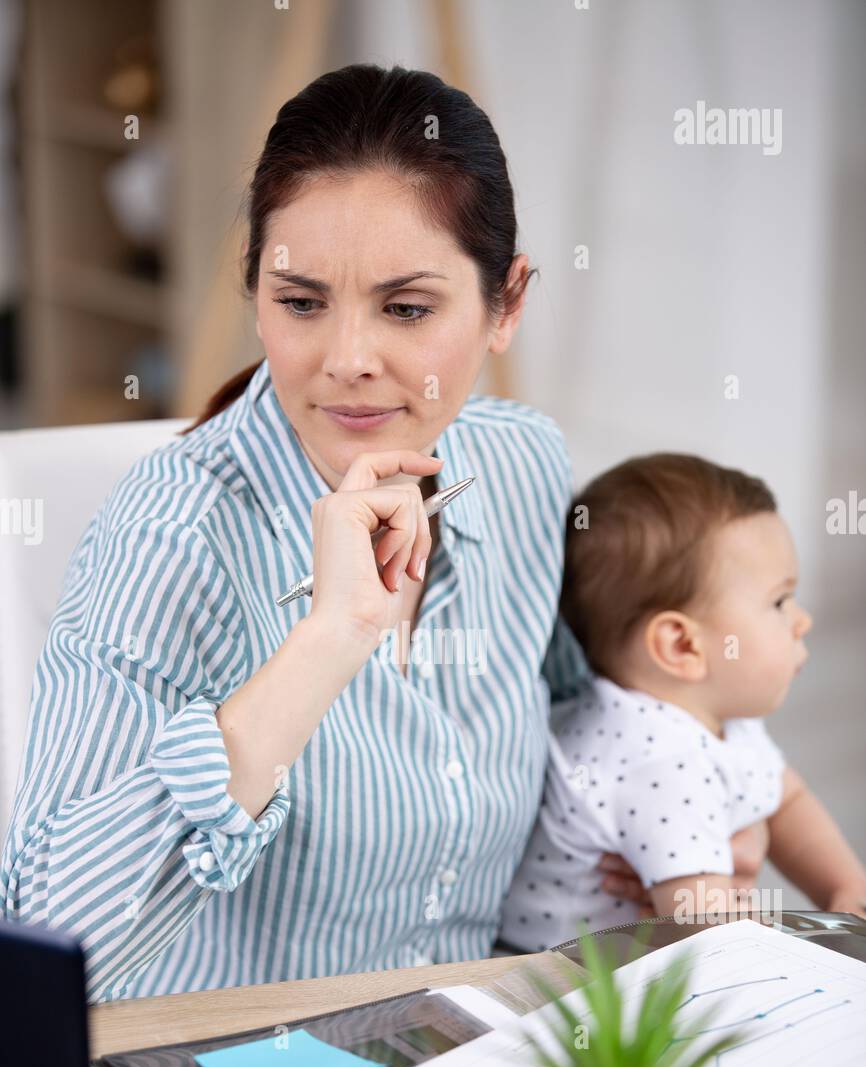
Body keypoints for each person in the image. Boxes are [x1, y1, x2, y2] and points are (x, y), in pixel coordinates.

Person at [0, 65, 764, 1002]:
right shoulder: (170, 536)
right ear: (255, 293)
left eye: (406, 308)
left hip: (476, 1045)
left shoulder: (521, 465)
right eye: (301, 302)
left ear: (507, 304)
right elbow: (50, 953)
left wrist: (710, 808)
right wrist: (328, 641)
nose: (349, 361)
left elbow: (597, 706)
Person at [500, 454, 866, 948]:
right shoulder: (659, 762)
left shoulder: (714, 716)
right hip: (558, 985)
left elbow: (786, 800)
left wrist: (844, 885)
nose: (803, 621)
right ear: (683, 647)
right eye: (780, 602)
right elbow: (711, 935)